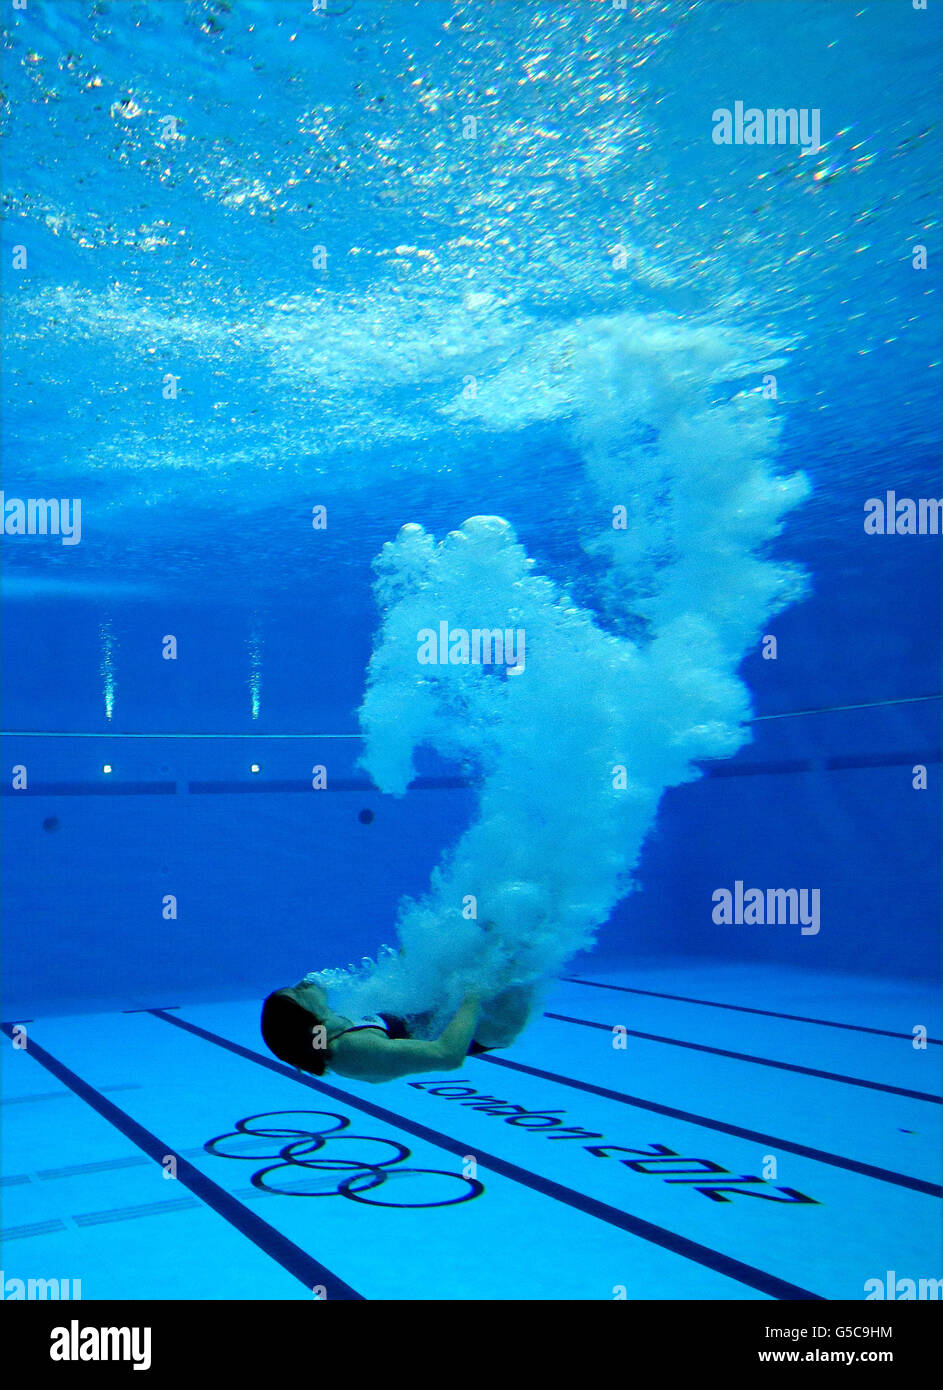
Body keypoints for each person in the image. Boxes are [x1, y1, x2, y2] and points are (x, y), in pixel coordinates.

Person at [260, 976, 534, 1084]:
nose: (305, 984)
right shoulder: (354, 1050)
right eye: (298, 991)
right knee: (528, 944)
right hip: (494, 1024)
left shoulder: (334, 1023)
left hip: (451, 1010)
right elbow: (447, 1055)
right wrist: (473, 996)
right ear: (307, 1017)